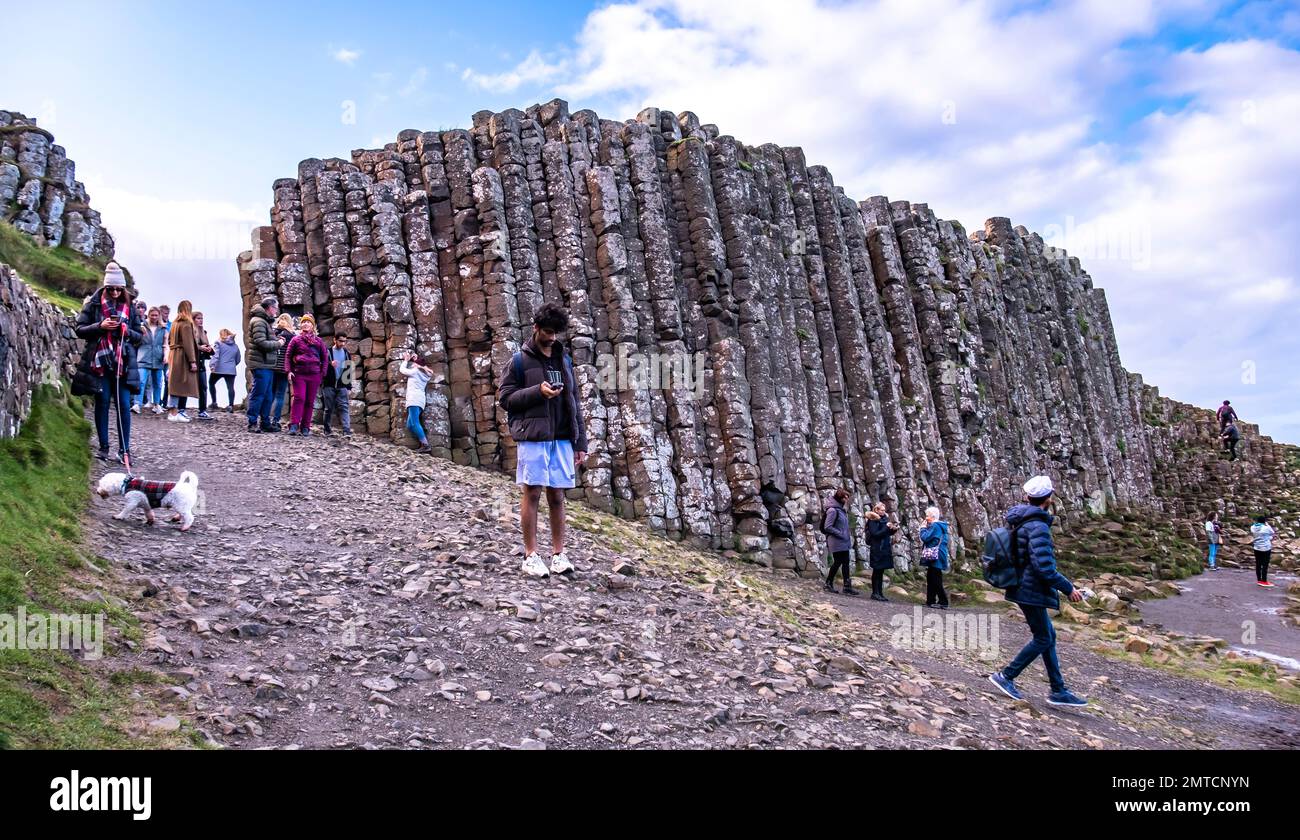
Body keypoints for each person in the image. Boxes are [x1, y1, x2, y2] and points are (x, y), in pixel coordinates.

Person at [497, 303, 588, 578]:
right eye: (547, 331)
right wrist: (538, 392)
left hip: (561, 436)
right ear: (535, 328)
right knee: (533, 492)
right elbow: (505, 399)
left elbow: (574, 401)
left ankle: (559, 555)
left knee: (558, 496)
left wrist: (580, 442)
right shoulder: (518, 361)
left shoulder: (565, 360)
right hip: (534, 436)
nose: (552, 338)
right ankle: (531, 556)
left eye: (556, 333)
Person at [989, 475, 1088, 707]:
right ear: (1048, 499)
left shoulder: (1022, 519)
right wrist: (1068, 588)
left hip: (1023, 585)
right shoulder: (1037, 526)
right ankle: (1006, 676)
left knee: (1048, 636)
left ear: (1028, 497)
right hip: (1030, 589)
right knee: (1043, 637)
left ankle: (1058, 689)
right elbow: (1043, 566)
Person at [74, 262, 142, 463]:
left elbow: (139, 336)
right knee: (102, 402)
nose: (114, 292)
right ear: (105, 287)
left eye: (118, 289)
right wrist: (100, 326)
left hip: (123, 362)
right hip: (99, 361)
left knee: (123, 403)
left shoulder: (131, 307)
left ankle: (125, 450)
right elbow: (79, 328)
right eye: (110, 288)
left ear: (123, 289)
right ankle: (104, 447)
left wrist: (126, 331)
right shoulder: (93, 304)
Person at [284, 315, 328, 436]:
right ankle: (293, 425)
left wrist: (322, 373)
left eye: (308, 322)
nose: (305, 324)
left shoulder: (319, 341)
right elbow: (288, 356)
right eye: (303, 322)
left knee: (309, 401)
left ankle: (305, 427)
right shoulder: (296, 340)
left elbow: (325, 358)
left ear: (312, 325)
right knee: (299, 398)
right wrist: (289, 371)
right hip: (299, 374)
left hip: (314, 375)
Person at [246, 297, 284, 433]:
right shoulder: (259, 322)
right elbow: (261, 342)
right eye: (276, 307)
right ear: (270, 308)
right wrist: (278, 344)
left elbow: (265, 339)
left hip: (266, 364)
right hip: (260, 363)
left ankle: (265, 422)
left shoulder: (263, 322)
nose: (276, 310)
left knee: (268, 395)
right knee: (259, 393)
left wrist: (276, 339)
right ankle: (252, 422)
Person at [165, 301, 200, 422]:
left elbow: (169, 340)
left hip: (173, 354)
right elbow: (188, 343)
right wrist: (192, 361)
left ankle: (174, 412)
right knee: (180, 384)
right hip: (182, 356)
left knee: (174, 383)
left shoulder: (175, 323)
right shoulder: (186, 323)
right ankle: (175, 413)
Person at [821, 488, 858, 595]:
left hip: (843, 541)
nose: (847, 500)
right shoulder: (832, 510)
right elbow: (828, 527)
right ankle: (829, 583)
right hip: (836, 541)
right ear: (840, 498)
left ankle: (846, 586)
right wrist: (840, 533)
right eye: (845, 498)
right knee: (838, 562)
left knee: (845, 561)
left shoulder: (840, 509)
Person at [134, 306, 168, 415]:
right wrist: (140, 334)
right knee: (141, 381)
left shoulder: (163, 328)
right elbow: (135, 341)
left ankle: (157, 404)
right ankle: (137, 404)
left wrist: (166, 356)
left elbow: (165, 344)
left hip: (158, 358)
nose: (154, 317)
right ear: (148, 315)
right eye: (152, 315)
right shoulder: (141, 326)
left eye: (156, 315)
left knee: (157, 383)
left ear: (159, 316)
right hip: (143, 357)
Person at [399, 353, 435, 452]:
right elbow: (423, 367)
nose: (413, 364)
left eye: (414, 363)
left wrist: (406, 360)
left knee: (414, 423)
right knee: (410, 425)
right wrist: (417, 360)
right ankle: (423, 443)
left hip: (414, 399)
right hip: (420, 400)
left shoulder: (415, 371)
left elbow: (402, 370)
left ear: (416, 365)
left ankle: (426, 445)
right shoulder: (425, 374)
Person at [865, 501, 899, 601]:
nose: (884, 512)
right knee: (876, 570)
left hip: (884, 548)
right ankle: (875, 593)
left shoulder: (885, 519)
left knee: (881, 571)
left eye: (884, 510)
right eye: (882, 510)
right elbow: (875, 533)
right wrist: (886, 527)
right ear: (877, 510)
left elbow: (887, 533)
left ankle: (880, 592)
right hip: (877, 548)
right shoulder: (872, 520)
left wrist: (893, 529)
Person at [321, 333, 353, 436]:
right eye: (340, 341)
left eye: (344, 341)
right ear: (335, 340)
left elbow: (349, 370)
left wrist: (349, 386)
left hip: (342, 385)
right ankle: (327, 429)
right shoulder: (327, 352)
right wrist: (330, 364)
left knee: (344, 407)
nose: (343, 343)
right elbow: (321, 365)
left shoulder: (347, 353)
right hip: (328, 385)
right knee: (328, 408)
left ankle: (346, 430)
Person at [919, 506, 950, 609]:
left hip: (936, 554)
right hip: (939, 553)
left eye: (927, 516)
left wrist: (922, 528)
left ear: (932, 516)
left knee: (935, 579)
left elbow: (926, 538)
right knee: (931, 577)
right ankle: (930, 600)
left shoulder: (935, 525)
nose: (926, 518)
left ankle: (943, 601)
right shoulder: (939, 526)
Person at [271, 313, 296, 431]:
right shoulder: (293, 335)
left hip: (273, 367)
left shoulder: (275, 333)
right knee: (280, 395)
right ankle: (276, 419)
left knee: (270, 393)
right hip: (285, 369)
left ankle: (265, 417)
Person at [210, 329, 241, 413]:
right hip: (231, 370)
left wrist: (212, 365)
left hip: (218, 369)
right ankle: (231, 405)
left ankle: (214, 402)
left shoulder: (218, 343)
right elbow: (238, 359)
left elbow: (215, 355)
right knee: (230, 387)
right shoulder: (235, 346)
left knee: (211, 383)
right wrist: (231, 365)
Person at [193, 311, 216, 420]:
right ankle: (179, 409)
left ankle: (202, 410)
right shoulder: (190, 331)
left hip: (201, 363)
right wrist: (200, 347)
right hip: (192, 362)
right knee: (187, 386)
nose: (201, 320)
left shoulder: (203, 332)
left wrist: (209, 349)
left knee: (203, 387)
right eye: (198, 318)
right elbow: (190, 345)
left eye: (201, 318)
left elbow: (207, 346)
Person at [1251, 514, 1275, 587]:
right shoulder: (1266, 528)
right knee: (1265, 564)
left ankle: (1259, 580)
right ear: (1264, 521)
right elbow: (1272, 532)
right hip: (1265, 548)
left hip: (1257, 547)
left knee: (1258, 564)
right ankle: (1264, 581)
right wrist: (1267, 524)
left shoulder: (1252, 527)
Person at [158, 303, 171, 406]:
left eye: (167, 313)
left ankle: (165, 401)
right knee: (157, 379)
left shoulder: (171, 325)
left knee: (168, 379)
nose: (165, 315)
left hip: (169, 354)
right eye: (163, 313)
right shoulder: (156, 324)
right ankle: (156, 401)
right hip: (157, 353)